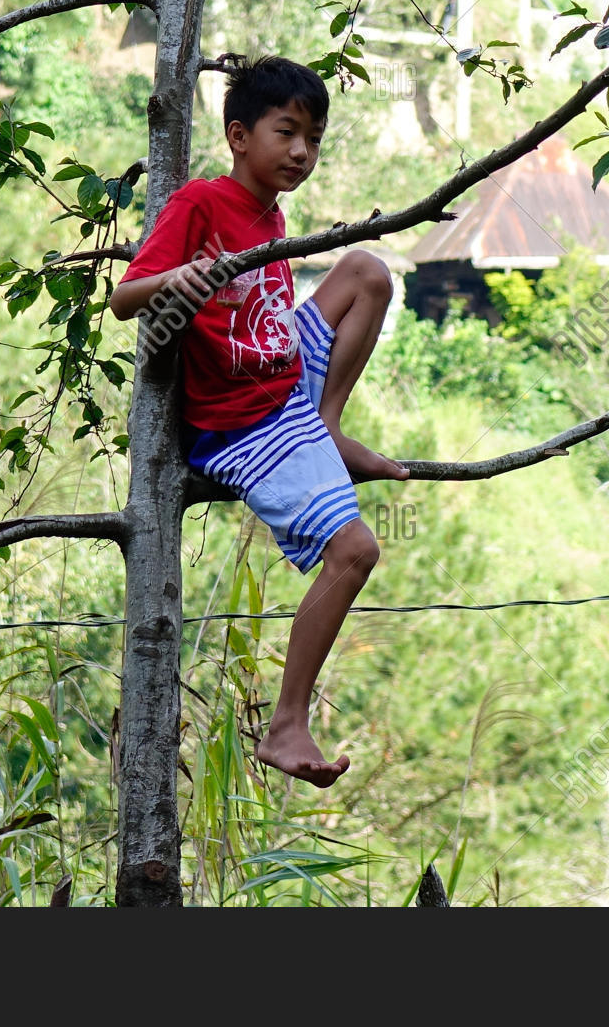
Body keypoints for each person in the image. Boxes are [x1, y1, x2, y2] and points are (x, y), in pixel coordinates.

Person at [110, 55, 409, 786]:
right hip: (243, 424)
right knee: (356, 552)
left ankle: (328, 425)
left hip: (284, 381)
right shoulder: (200, 205)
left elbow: (270, 310)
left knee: (367, 272)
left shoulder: (269, 213)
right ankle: (287, 724)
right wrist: (173, 280)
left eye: (314, 138)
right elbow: (124, 300)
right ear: (238, 135)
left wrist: (312, 409)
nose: (302, 152)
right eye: (288, 133)